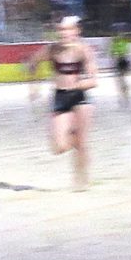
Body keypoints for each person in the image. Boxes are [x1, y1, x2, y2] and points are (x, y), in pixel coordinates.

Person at [46, 14, 96, 189]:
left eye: (68, 30)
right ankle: (75, 138)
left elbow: (94, 81)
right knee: (58, 147)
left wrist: (78, 84)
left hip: (79, 98)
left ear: (76, 31)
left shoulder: (84, 50)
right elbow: (32, 63)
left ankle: (81, 179)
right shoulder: (53, 49)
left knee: (81, 143)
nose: (64, 33)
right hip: (60, 97)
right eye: (61, 30)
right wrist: (33, 85)